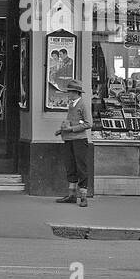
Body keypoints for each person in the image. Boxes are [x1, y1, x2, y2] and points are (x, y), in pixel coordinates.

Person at [54, 77, 92, 208]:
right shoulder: (71, 104)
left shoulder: (83, 104)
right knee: (71, 166)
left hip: (79, 140)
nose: (68, 94)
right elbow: (72, 121)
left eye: (69, 92)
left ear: (76, 92)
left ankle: (83, 196)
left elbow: (88, 123)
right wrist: (61, 131)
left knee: (81, 168)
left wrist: (71, 129)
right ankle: (71, 194)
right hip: (69, 140)